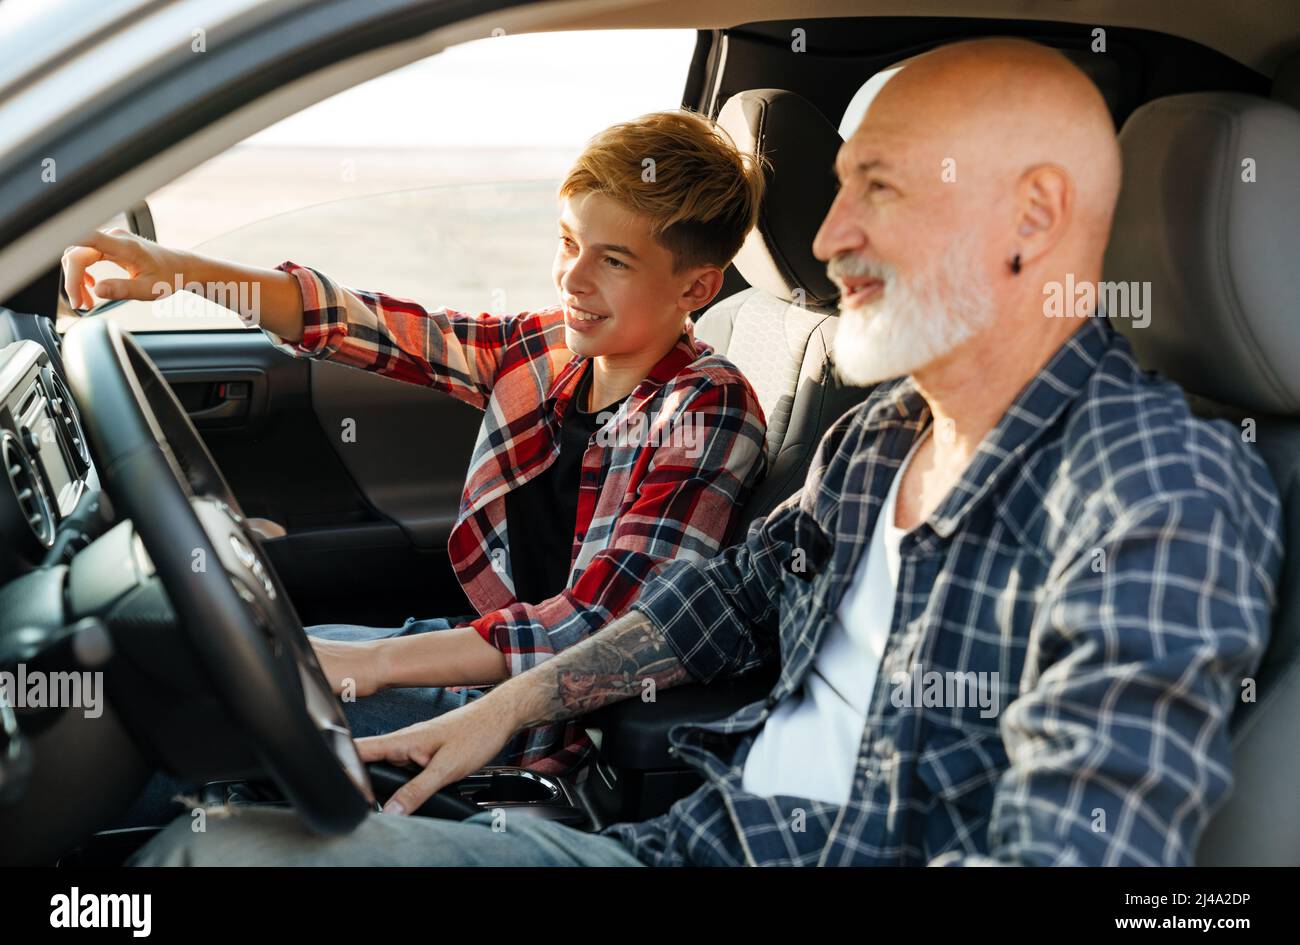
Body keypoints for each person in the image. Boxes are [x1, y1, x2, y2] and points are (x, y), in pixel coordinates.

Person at [135, 37, 1283, 867]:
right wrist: (505, 702)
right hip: (681, 836)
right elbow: (713, 604)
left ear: (1033, 219)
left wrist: (452, 691)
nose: (827, 239)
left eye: (874, 191)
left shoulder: (1157, 486)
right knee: (203, 816)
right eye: (836, 192)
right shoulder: (879, 441)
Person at [64, 110, 769, 808]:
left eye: (613, 260)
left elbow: (600, 629)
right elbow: (365, 326)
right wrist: (179, 271)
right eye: (568, 242)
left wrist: (373, 666)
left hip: (545, 722)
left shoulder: (706, 409)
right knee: (190, 665)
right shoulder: (545, 348)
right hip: (465, 655)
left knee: (166, 724)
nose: (572, 279)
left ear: (696, 289)